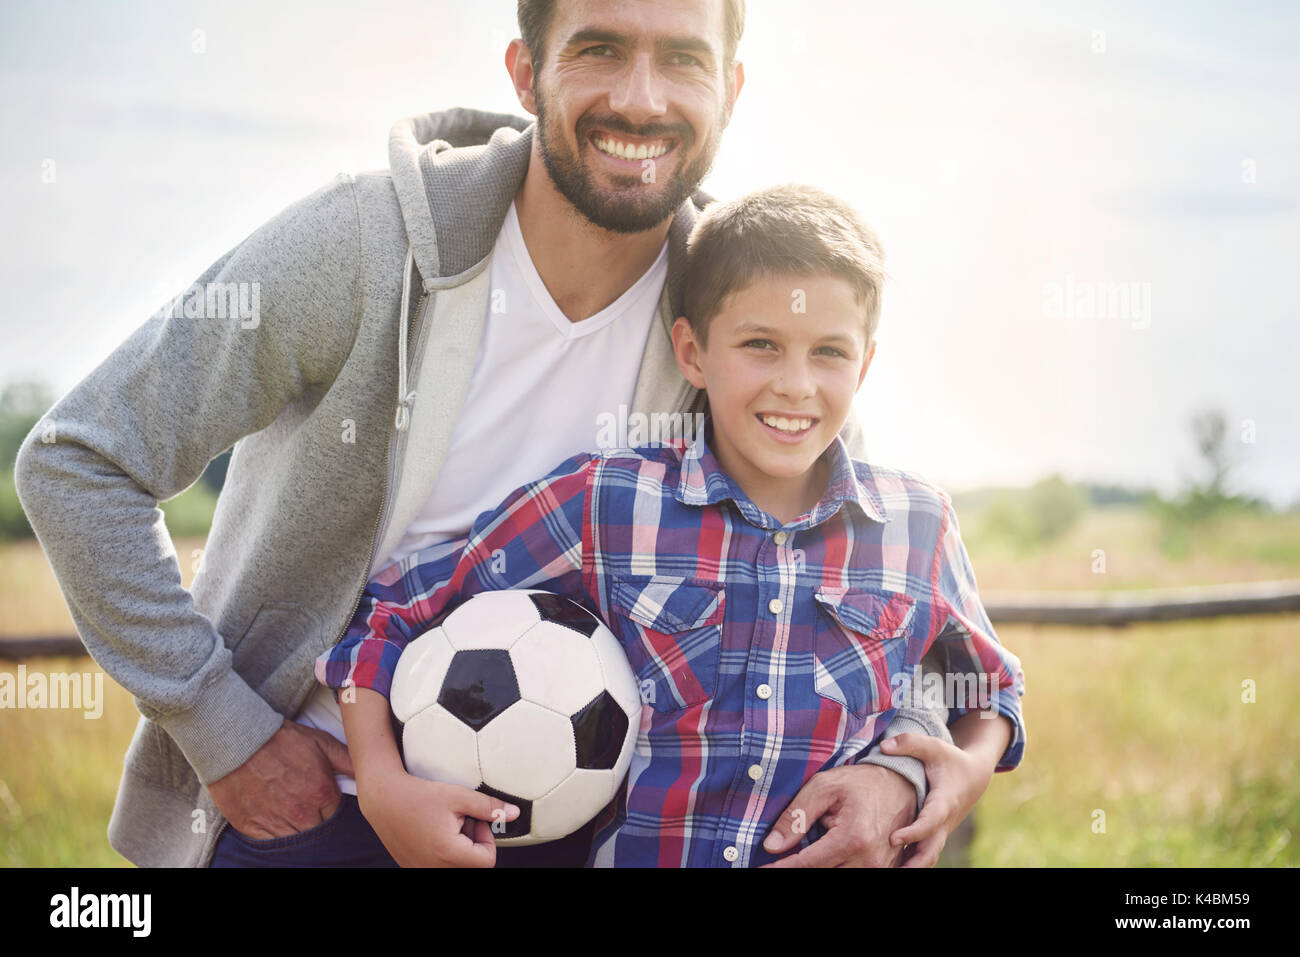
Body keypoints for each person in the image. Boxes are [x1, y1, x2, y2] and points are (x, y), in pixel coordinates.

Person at [14, 0, 967, 868]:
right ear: (524, 71)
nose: (641, 100)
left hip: (586, 825)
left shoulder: (746, 312)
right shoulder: (363, 244)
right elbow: (80, 460)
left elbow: (872, 584)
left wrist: (901, 769)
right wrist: (224, 729)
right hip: (303, 810)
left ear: (731, 88)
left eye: (682, 59)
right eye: (599, 49)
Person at [316, 183, 1028, 868]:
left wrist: (959, 777)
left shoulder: (918, 525)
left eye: (830, 352)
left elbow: (990, 688)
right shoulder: (610, 504)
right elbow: (390, 609)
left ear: (865, 365)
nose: (795, 383)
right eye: (761, 344)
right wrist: (381, 783)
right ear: (692, 352)